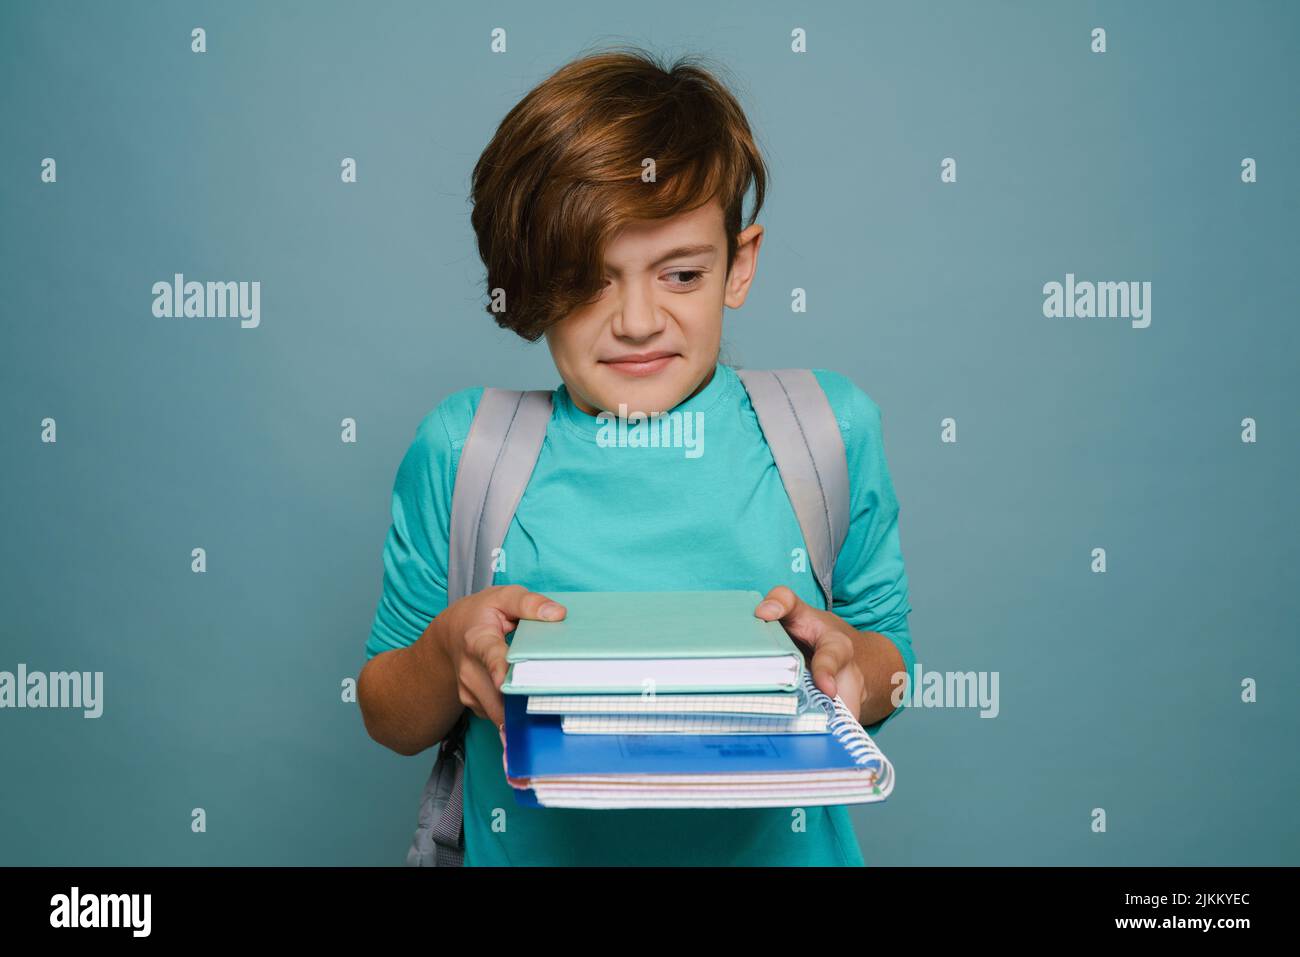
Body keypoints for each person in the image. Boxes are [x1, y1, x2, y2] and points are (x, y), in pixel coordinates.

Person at [356, 45, 915, 866]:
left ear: (741, 264)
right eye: (589, 280)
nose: (639, 320)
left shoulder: (827, 430)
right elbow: (385, 710)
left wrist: (848, 665)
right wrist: (446, 653)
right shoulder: (465, 448)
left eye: (681, 274)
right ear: (531, 280)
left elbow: (890, 659)